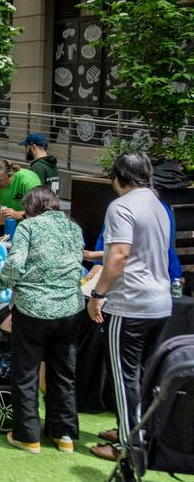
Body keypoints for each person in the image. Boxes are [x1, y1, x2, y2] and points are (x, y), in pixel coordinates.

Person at [0, 186, 85, 454]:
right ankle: (64, 435)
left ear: (31, 208)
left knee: (26, 372)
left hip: (33, 309)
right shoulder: (73, 227)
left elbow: (14, 265)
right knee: (63, 372)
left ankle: (28, 436)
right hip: (70, 309)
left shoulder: (28, 227)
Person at [87, 152, 174, 461]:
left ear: (117, 177)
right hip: (160, 302)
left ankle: (128, 445)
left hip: (130, 304)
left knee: (124, 376)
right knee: (145, 376)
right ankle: (136, 430)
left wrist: (98, 293)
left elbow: (120, 254)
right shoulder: (158, 205)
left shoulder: (121, 206)